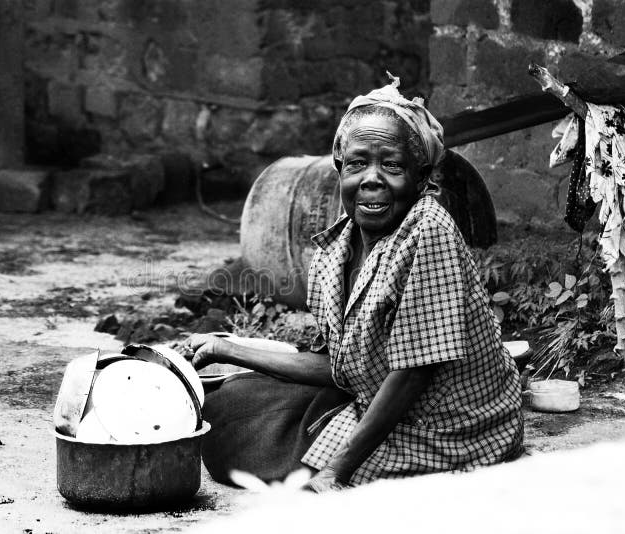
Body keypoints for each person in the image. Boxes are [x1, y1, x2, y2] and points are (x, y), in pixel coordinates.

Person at [187, 75, 523, 492]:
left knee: (259, 450)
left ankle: (339, 456)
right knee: (228, 407)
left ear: (422, 180)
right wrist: (228, 349)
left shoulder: (428, 230)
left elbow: (411, 375)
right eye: (358, 163)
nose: (372, 179)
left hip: (445, 425)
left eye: (393, 166)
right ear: (339, 168)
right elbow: (338, 367)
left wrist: (337, 469)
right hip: (373, 396)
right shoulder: (338, 247)